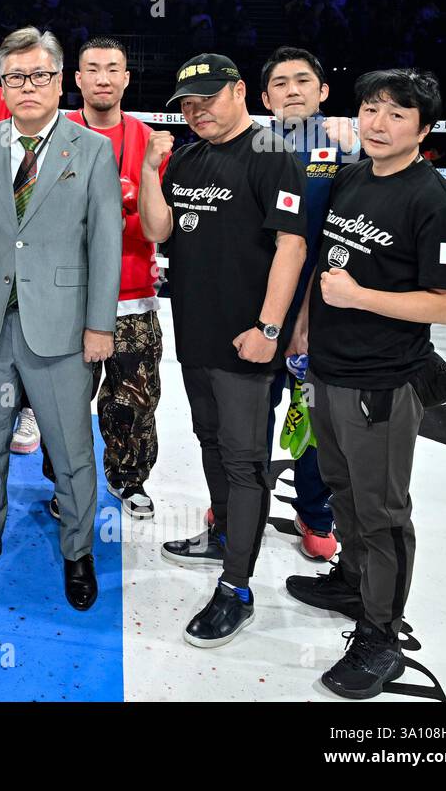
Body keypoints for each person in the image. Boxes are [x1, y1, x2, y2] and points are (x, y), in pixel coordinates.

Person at [294, 69, 446, 699]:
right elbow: (325, 264)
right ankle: (350, 579)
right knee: (343, 490)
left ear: (423, 129)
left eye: (397, 114)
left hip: (385, 383)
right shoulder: (352, 178)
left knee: (382, 511)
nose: (378, 123)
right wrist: (307, 325)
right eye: (370, 109)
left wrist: (361, 297)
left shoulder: (433, 201)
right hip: (330, 370)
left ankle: (382, 635)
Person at [0, 26, 121, 612]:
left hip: (64, 327)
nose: (27, 88)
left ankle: (78, 551)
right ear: (1, 84)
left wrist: (100, 324)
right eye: (16, 77)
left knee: (71, 448)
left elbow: (105, 244)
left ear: (58, 80)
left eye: (39, 76)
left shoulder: (91, 148)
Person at [138, 53, 307, 647]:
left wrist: (269, 330)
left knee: (243, 460)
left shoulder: (269, 154)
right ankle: (220, 534)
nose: (196, 110)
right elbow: (159, 231)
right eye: (187, 103)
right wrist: (152, 168)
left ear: (239, 91)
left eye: (208, 97)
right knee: (210, 441)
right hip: (196, 332)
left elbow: (291, 245)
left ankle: (238, 586)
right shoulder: (187, 155)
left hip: (245, 340)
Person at [258, 45, 359, 559]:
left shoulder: (345, 149)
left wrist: (307, 316)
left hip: (319, 310)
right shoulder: (249, 145)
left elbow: (346, 239)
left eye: (303, 80)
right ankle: (242, 503)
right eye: (280, 82)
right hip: (255, 307)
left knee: (316, 415)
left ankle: (315, 511)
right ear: (264, 95)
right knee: (252, 408)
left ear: (322, 92)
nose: (292, 89)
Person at [67, 36, 164, 520]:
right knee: (63, 401)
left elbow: (158, 223)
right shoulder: (55, 133)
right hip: (67, 297)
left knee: (134, 401)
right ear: (77, 78)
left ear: (126, 78)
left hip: (134, 297)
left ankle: (129, 479)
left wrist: (135, 190)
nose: (103, 78)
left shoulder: (151, 141)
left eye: (113, 69)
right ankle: (64, 483)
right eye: (93, 69)